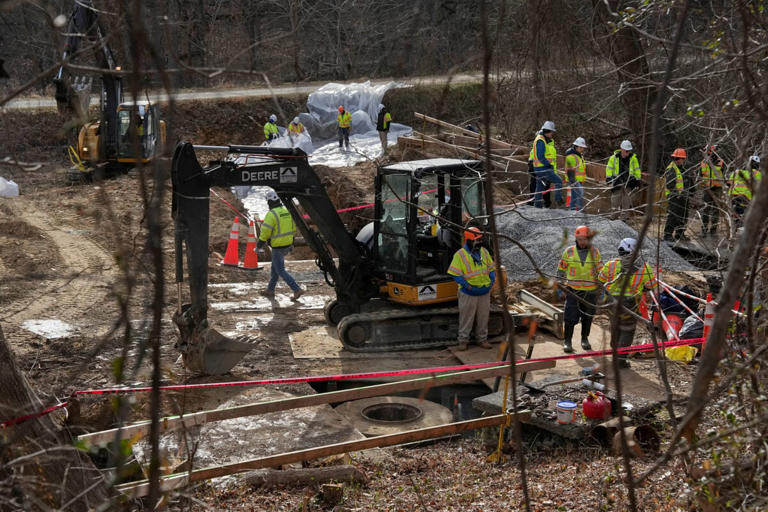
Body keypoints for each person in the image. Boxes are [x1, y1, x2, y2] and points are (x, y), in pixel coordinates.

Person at [597, 238, 658, 368]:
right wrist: (642, 288)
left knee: (615, 326)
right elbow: (652, 285)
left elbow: (601, 279)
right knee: (627, 330)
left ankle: (615, 352)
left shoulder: (611, 264)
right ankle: (620, 360)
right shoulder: (644, 267)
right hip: (630, 303)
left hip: (611, 302)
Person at [447, 227, 496, 350]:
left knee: (483, 317)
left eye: (479, 240)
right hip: (468, 293)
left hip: (484, 292)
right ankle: (463, 341)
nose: (478, 242)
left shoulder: (484, 252)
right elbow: (455, 273)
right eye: (476, 240)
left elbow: (491, 268)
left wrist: (491, 281)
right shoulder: (460, 255)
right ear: (468, 240)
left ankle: (482, 339)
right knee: (466, 318)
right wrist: (467, 286)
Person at [556, 225, 603, 353]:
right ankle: (567, 341)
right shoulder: (569, 251)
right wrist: (559, 286)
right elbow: (561, 269)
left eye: (585, 239)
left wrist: (603, 288)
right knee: (570, 316)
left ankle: (584, 339)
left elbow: (601, 271)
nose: (583, 242)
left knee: (588, 316)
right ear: (576, 239)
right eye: (580, 239)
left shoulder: (595, 252)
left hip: (590, 291)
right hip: (573, 290)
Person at [257, 190, 305, 301]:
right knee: (275, 268)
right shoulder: (286, 211)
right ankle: (270, 290)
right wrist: (291, 240)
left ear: (269, 202)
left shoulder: (271, 214)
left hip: (278, 246)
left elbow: (265, 232)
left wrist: (259, 244)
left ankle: (296, 289)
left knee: (280, 270)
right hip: (287, 244)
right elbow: (293, 227)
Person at [529, 121, 563, 208]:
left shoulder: (542, 139)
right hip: (543, 168)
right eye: (552, 132)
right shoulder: (541, 140)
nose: (552, 134)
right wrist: (548, 164)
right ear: (548, 131)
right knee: (558, 181)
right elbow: (540, 156)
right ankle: (558, 199)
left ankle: (537, 206)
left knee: (539, 187)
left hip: (538, 168)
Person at [605, 140, 642, 220]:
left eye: (629, 151)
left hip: (629, 183)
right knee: (615, 201)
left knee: (627, 202)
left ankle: (623, 218)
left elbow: (637, 170)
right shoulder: (613, 158)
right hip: (617, 182)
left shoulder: (633, 158)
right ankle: (613, 217)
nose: (628, 153)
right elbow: (609, 169)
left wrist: (637, 180)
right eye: (626, 151)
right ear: (622, 149)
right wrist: (609, 179)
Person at [663, 148, 689, 242]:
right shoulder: (671, 169)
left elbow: (687, 182)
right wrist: (676, 194)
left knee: (683, 215)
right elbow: (670, 184)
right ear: (678, 158)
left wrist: (690, 193)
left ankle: (680, 234)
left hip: (682, 196)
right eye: (682, 159)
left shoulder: (682, 169)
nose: (683, 161)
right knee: (673, 215)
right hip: (674, 196)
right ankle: (667, 234)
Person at [728, 155, 762, 224]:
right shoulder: (757, 174)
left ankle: (735, 228)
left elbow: (728, 183)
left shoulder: (737, 172)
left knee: (735, 215)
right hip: (746, 198)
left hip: (732, 196)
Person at [700, 145, 725, 236]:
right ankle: (704, 229)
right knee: (706, 209)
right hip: (707, 189)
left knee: (716, 210)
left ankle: (713, 230)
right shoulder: (703, 162)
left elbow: (724, 176)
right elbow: (701, 175)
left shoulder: (721, 162)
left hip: (717, 189)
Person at [564, 137, 588, 211]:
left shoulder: (579, 156)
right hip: (574, 180)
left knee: (574, 196)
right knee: (580, 194)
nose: (582, 149)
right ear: (576, 147)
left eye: (583, 148)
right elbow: (569, 169)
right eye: (581, 147)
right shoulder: (571, 156)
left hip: (578, 180)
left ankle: (573, 210)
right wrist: (572, 181)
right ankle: (579, 211)